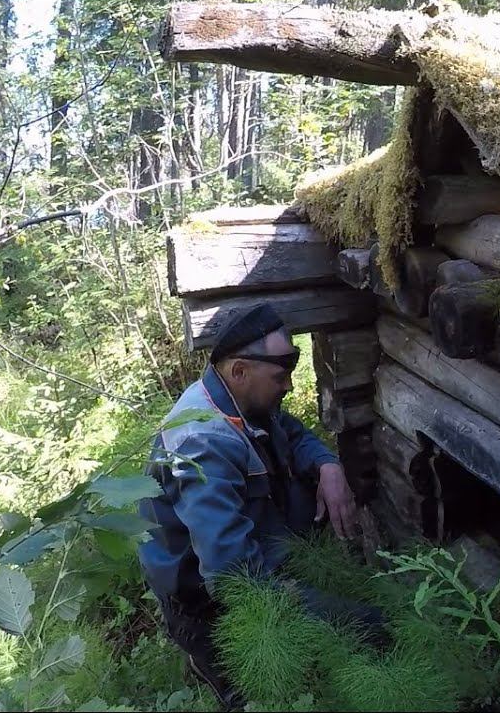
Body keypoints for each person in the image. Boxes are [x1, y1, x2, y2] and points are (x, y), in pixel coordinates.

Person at [137, 303, 384, 709]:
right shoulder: (202, 445)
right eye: (280, 376)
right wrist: (335, 614)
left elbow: (291, 430)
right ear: (240, 371)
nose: (288, 386)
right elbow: (234, 579)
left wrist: (327, 465)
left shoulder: (242, 399)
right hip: (207, 603)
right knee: (257, 698)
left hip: (258, 561)